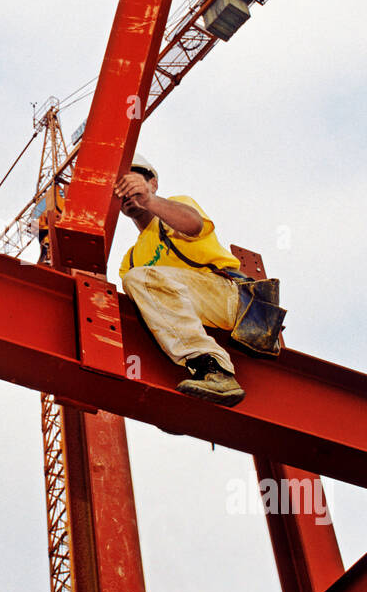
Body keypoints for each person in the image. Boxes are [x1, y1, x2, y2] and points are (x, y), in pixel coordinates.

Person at [115, 157, 285, 406]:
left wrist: (149, 200)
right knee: (136, 280)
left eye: (133, 180)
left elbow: (193, 225)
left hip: (229, 297)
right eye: (119, 188)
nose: (126, 191)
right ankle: (199, 374)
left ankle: (213, 367)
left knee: (140, 278)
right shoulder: (129, 260)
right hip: (191, 312)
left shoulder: (173, 209)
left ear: (153, 183)